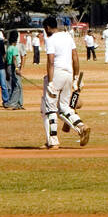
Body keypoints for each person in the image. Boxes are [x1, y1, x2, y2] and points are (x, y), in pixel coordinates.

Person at [42, 15, 91, 148]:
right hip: (68, 74)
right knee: (64, 107)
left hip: (56, 73)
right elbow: (75, 57)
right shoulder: (67, 36)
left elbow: (51, 61)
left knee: (49, 108)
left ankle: (53, 141)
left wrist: (51, 82)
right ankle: (81, 126)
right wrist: (76, 78)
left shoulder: (50, 39)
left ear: (47, 27)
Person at [5, 30, 24, 110]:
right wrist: (17, 68)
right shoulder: (14, 48)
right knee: (18, 86)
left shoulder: (9, 48)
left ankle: (17, 104)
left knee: (14, 85)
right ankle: (11, 103)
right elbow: (14, 58)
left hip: (9, 67)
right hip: (13, 67)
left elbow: (6, 59)